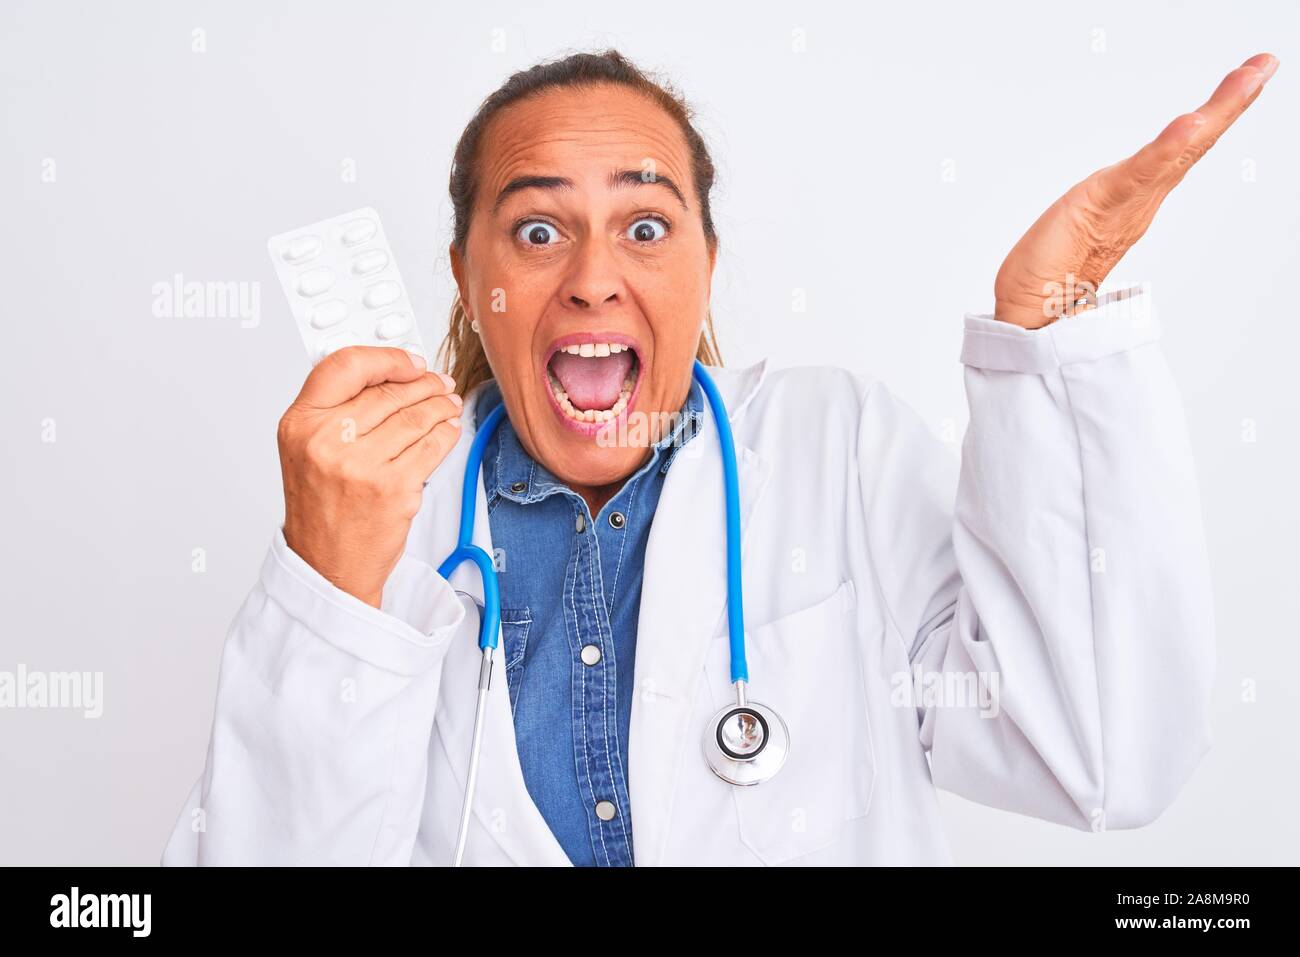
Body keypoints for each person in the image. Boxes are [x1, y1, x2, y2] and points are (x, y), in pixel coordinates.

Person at [163, 48, 1277, 866]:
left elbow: (1100, 759)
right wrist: (330, 592)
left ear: (704, 260)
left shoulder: (827, 446)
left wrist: (1048, 331)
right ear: (468, 277)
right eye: (538, 230)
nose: (594, 277)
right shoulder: (377, 513)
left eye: (645, 227)